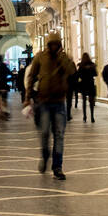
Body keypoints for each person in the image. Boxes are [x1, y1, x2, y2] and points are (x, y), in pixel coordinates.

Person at [24, 32, 76, 179]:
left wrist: (63, 58)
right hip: (44, 102)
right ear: (48, 44)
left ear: (59, 45)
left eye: (56, 44)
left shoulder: (64, 57)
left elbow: (72, 72)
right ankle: (45, 155)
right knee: (45, 133)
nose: (54, 47)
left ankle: (58, 167)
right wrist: (27, 97)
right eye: (51, 44)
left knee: (59, 135)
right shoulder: (40, 57)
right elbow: (31, 76)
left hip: (59, 102)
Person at [76, 54, 97, 122]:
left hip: (84, 84)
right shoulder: (92, 65)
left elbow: (78, 75)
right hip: (90, 84)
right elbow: (95, 74)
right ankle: (92, 117)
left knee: (84, 101)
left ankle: (84, 116)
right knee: (91, 101)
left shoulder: (81, 65)